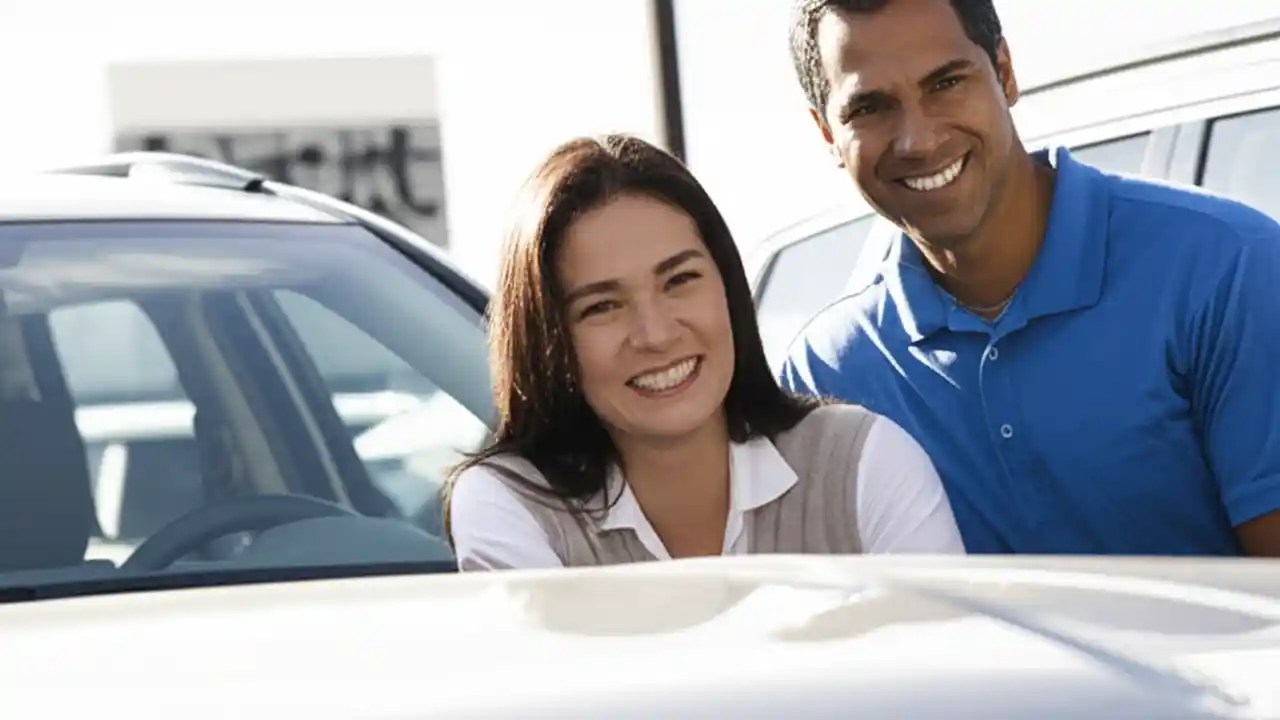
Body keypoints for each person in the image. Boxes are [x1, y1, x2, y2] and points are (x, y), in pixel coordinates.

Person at [780, 0, 1280, 555]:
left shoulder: (1229, 269)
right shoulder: (825, 376)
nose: (917, 140)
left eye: (945, 82)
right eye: (870, 108)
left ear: (1005, 71)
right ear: (826, 131)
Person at [445, 134, 964, 570]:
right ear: (549, 339)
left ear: (727, 286)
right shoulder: (510, 505)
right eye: (602, 306)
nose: (655, 333)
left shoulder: (865, 463)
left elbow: (949, 679)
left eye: (680, 280)